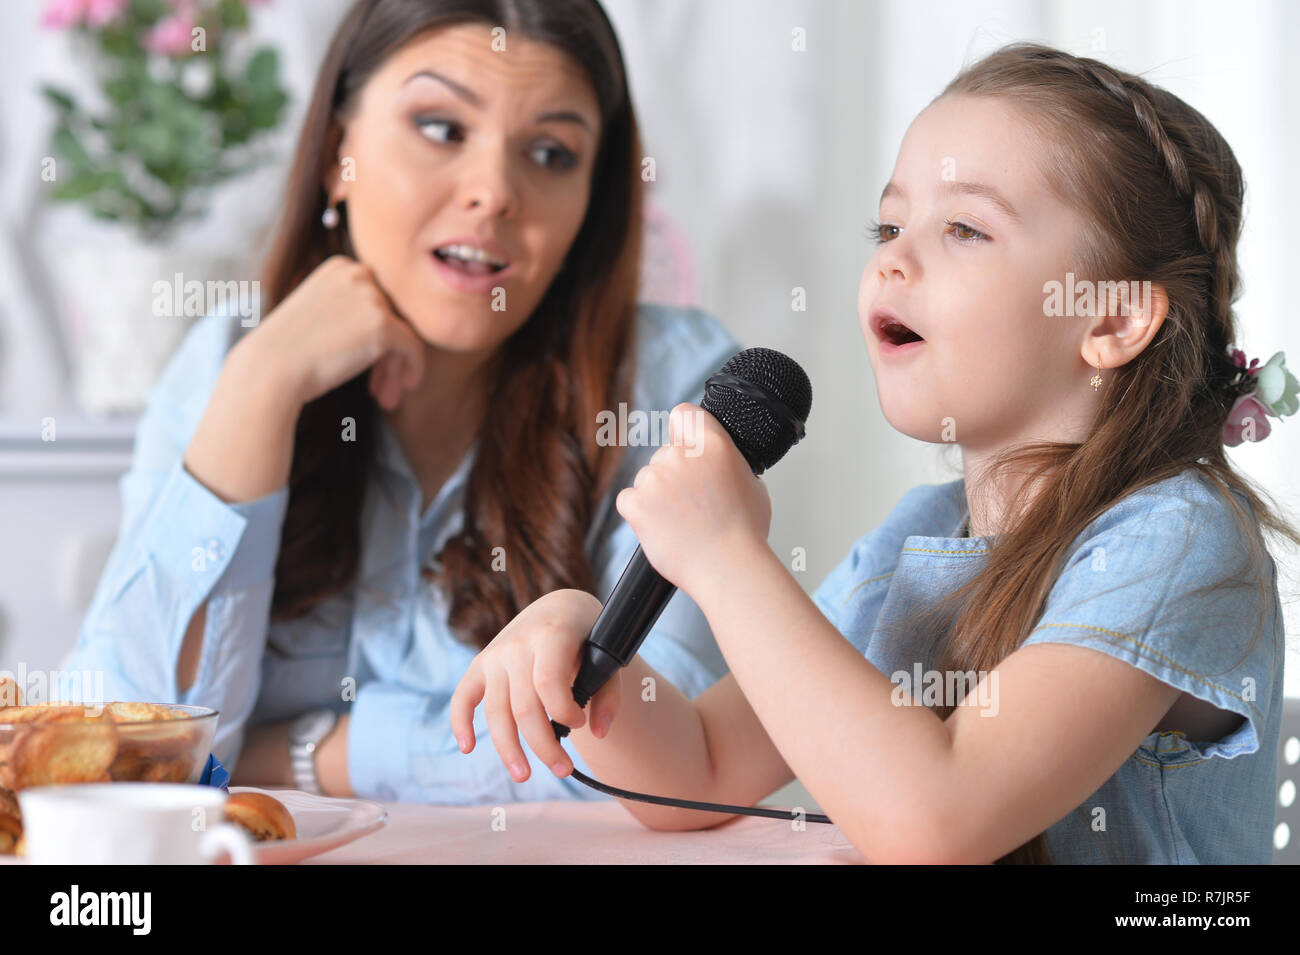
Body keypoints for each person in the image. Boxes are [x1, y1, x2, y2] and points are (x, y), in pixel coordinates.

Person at [451, 42, 1300, 863]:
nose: (894, 257)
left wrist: (725, 556)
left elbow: (939, 820)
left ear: (1112, 318)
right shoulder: (918, 538)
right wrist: (587, 648)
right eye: (888, 223)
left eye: (965, 227)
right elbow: (703, 763)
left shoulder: (1178, 540)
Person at [57, 0, 739, 804]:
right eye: (443, 129)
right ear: (338, 152)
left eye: (551, 153)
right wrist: (261, 386)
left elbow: (671, 770)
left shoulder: (671, 388)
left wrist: (308, 754)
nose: (492, 193)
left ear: (591, 203)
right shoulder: (228, 360)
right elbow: (113, 759)